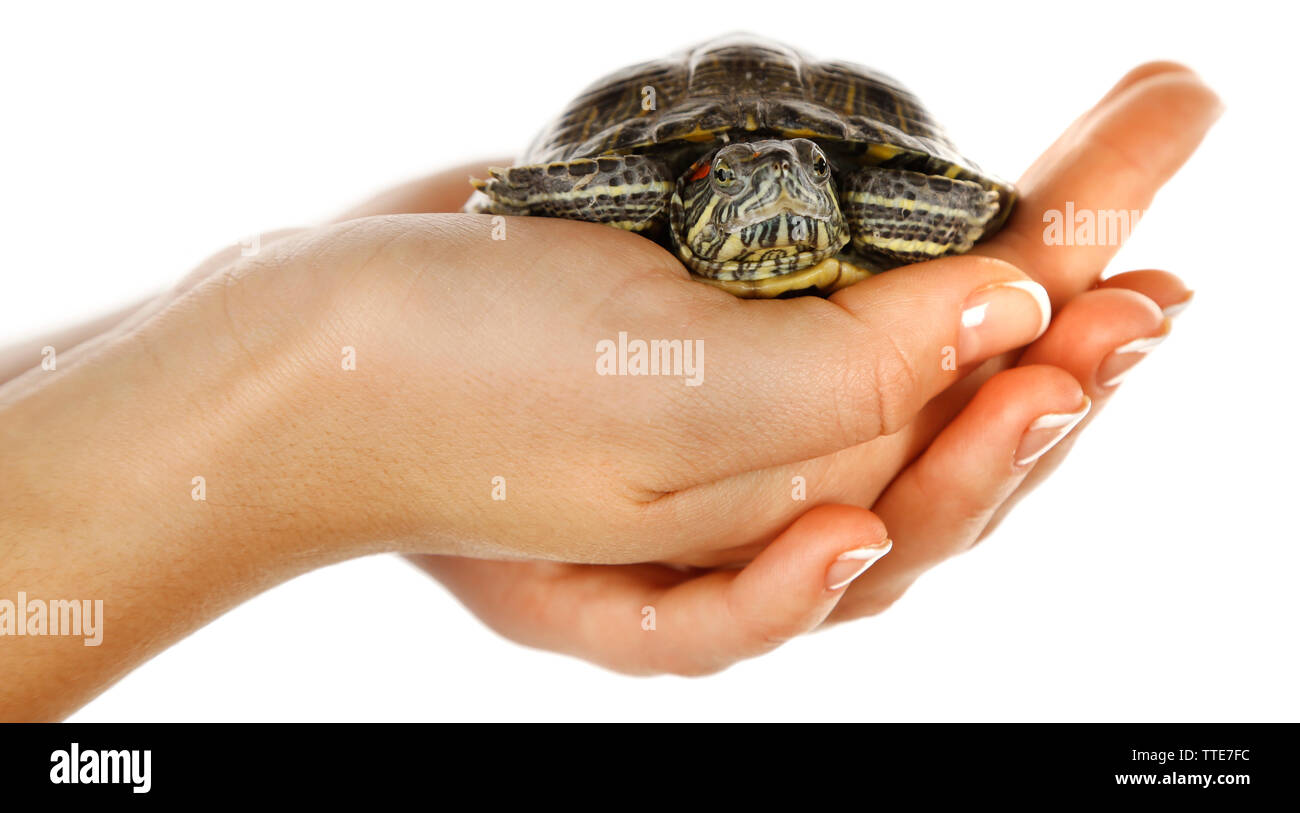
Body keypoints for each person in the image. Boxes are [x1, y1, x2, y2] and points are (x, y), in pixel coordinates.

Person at [0, 62, 1219, 720]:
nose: (777, 177)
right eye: (744, 172)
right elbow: (511, 218)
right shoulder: (635, 197)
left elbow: (971, 214)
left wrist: (284, 331)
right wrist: (303, 371)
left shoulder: (843, 195)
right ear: (691, 189)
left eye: (794, 169)